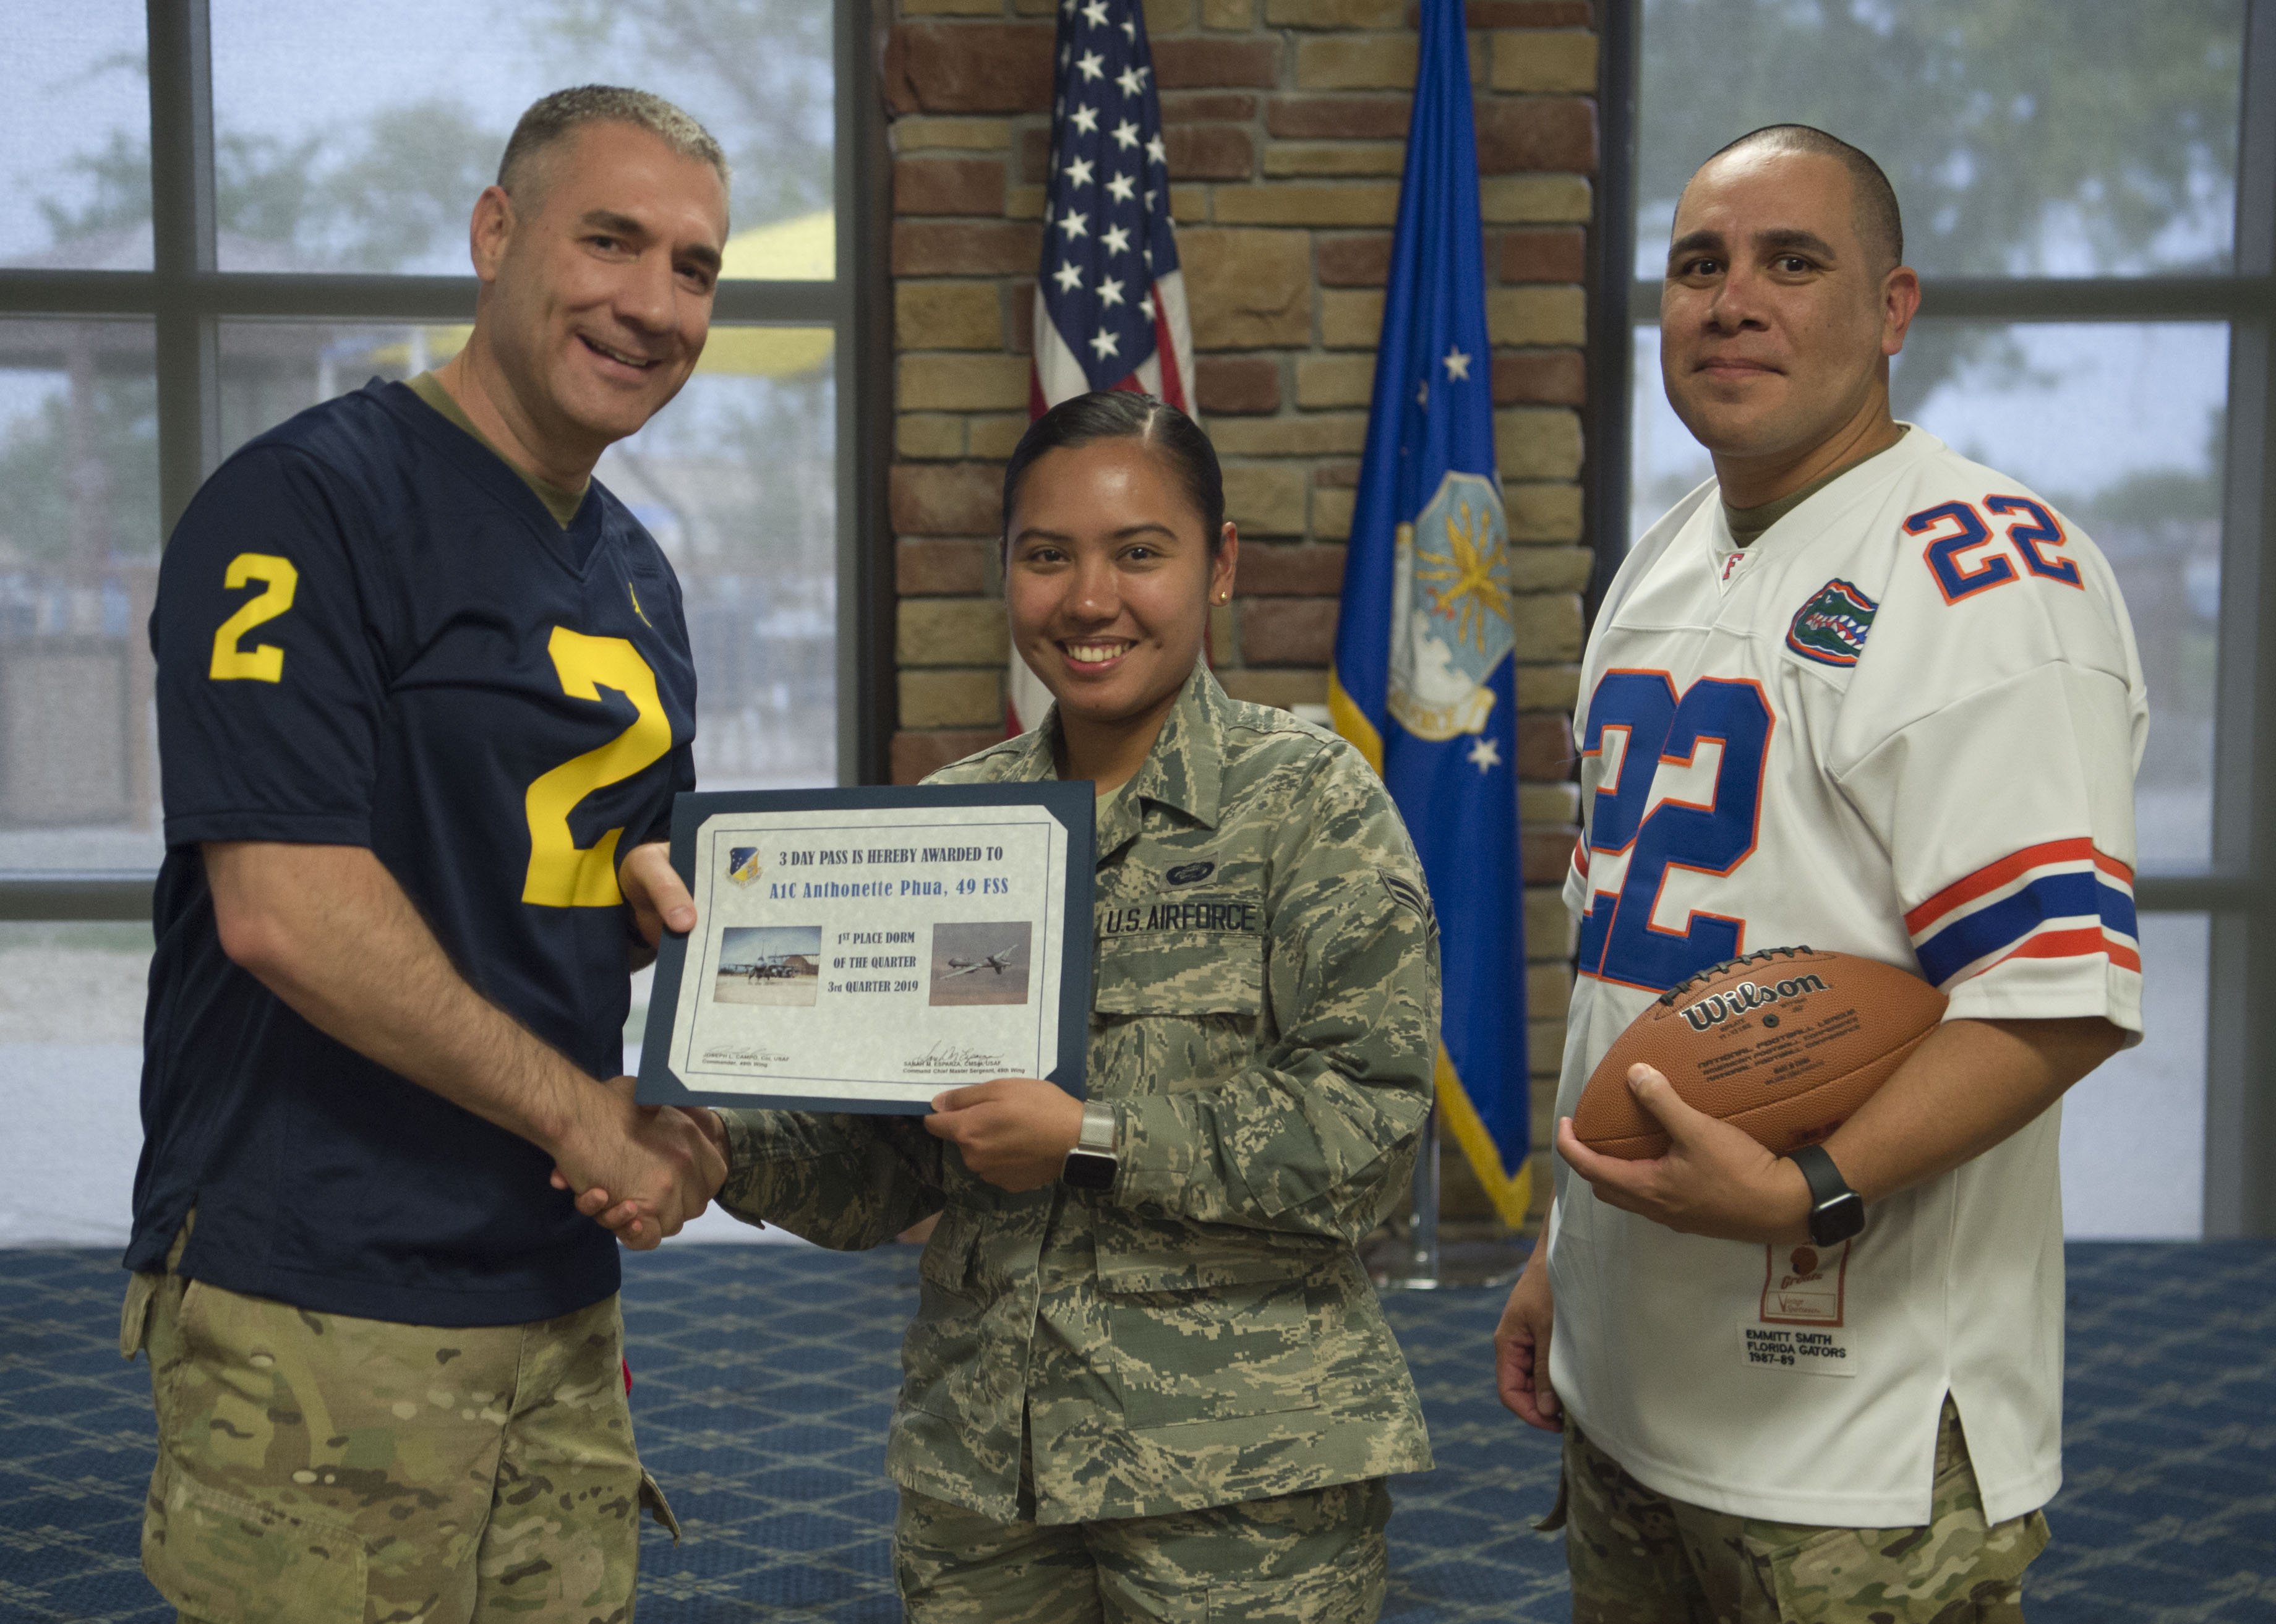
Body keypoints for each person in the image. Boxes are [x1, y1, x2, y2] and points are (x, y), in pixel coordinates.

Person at [576, 391, 1440, 1620]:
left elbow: (1368, 1139)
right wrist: (716, 1144)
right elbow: (889, 1164)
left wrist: (1085, 1136)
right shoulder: (958, 822)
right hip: (984, 1477)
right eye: (1047, 556)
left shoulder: (1311, 804)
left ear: (1221, 564)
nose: (1089, 599)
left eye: (1139, 551)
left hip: (1239, 1493)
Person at [1494, 124, 2144, 1621]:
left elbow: (2055, 996)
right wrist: (1562, 1256)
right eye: (1698, 265)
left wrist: (1815, 1183)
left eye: (1795, 262)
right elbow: (1624, 968)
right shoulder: (1661, 560)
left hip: (1855, 1425)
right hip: (1637, 1376)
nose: (1734, 300)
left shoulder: (1986, 574)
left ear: (1893, 308)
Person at [122, 85, 734, 1624]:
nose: (652, 304)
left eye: (694, 266)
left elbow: (632, 881)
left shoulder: (636, 571)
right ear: (495, 233)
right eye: (611, 241)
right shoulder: (309, 500)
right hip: (320, 1286)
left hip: (551, 1284)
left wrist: (710, 1051)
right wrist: (592, 1123)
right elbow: (284, 912)